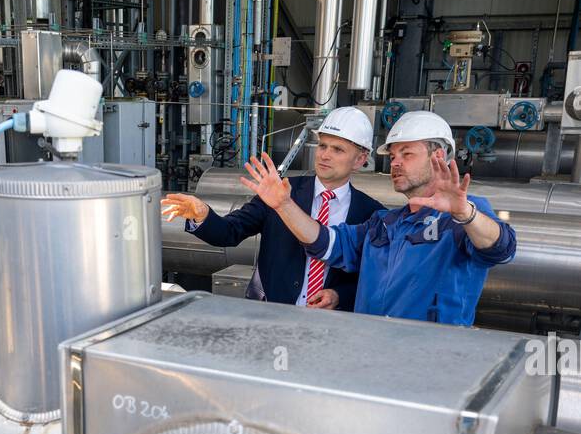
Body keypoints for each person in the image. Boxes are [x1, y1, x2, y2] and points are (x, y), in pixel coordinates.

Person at [238, 110, 517, 328]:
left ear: (438, 156)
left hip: (430, 359)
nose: (395, 162)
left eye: (406, 154)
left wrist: (464, 213)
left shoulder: (460, 219)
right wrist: (284, 205)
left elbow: (501, 248)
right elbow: (326, 242)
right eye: (393, 155)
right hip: (369, 350)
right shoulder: (384, 223)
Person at [160, 107, 383, 311]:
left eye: (338, 150)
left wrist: (339, 295)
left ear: (359, 159)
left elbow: (372, 277)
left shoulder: (371, 213)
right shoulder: (283, 191)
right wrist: (203, 215)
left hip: (333, 324)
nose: (325, 155)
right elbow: (230, 231)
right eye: (323, 146)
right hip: (272, 314)